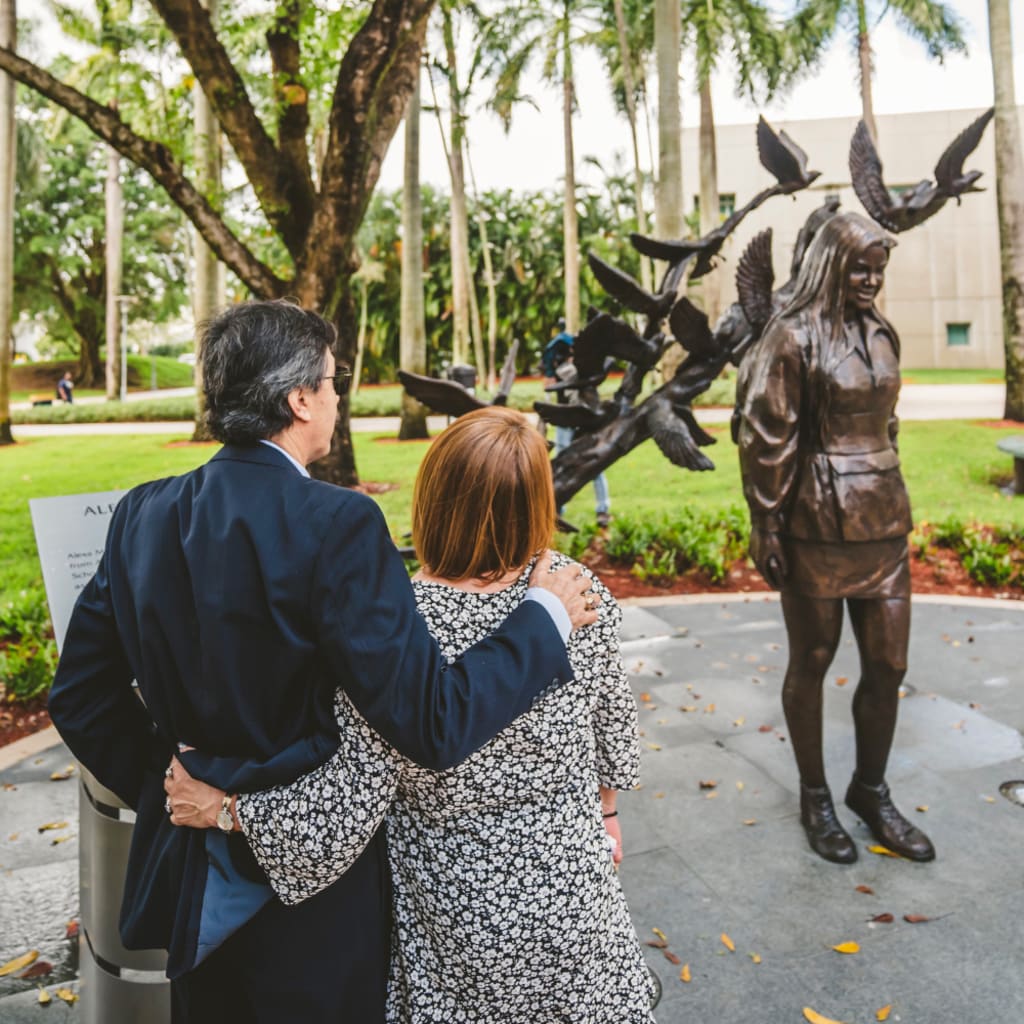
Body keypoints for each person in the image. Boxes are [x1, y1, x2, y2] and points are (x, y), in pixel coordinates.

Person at [47, 300, 599, 1024]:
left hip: (193, 882)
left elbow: (80, 696)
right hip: (316, 898)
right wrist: (544, 616)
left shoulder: (141, 513)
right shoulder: (339, 524)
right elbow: (432, 723)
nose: (339, 399)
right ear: (299, 399)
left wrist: (172, 785)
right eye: (334, 382)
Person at [165, 406, 655, 1023]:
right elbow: (613, 727)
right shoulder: (575, 591)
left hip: (457, 917)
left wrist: (225, 809)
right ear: (537, 502)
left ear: (433, 499)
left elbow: (347, 800)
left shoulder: (396, 625)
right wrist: (607, 816)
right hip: (576, 898)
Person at [735, 211, 934, 865]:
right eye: (859, 268)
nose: (871, 280)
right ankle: (815, 796)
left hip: (882, 519)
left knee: (889, 663)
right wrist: (767, 520)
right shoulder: (791, 336)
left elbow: (888, 420)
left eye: (879, 269)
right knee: (814, 659)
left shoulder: (881, 331)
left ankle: (869, 792)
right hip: (816, 523)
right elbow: (767, 433)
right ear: (830, 265)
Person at [541, 319, 612, 526]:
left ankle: (602, 509)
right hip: (566, 421)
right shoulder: (563, 370)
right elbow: (549, 387)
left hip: (584, 422)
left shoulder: (579, 370)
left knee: (594, 463)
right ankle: (557, 508)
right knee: (563, 463)